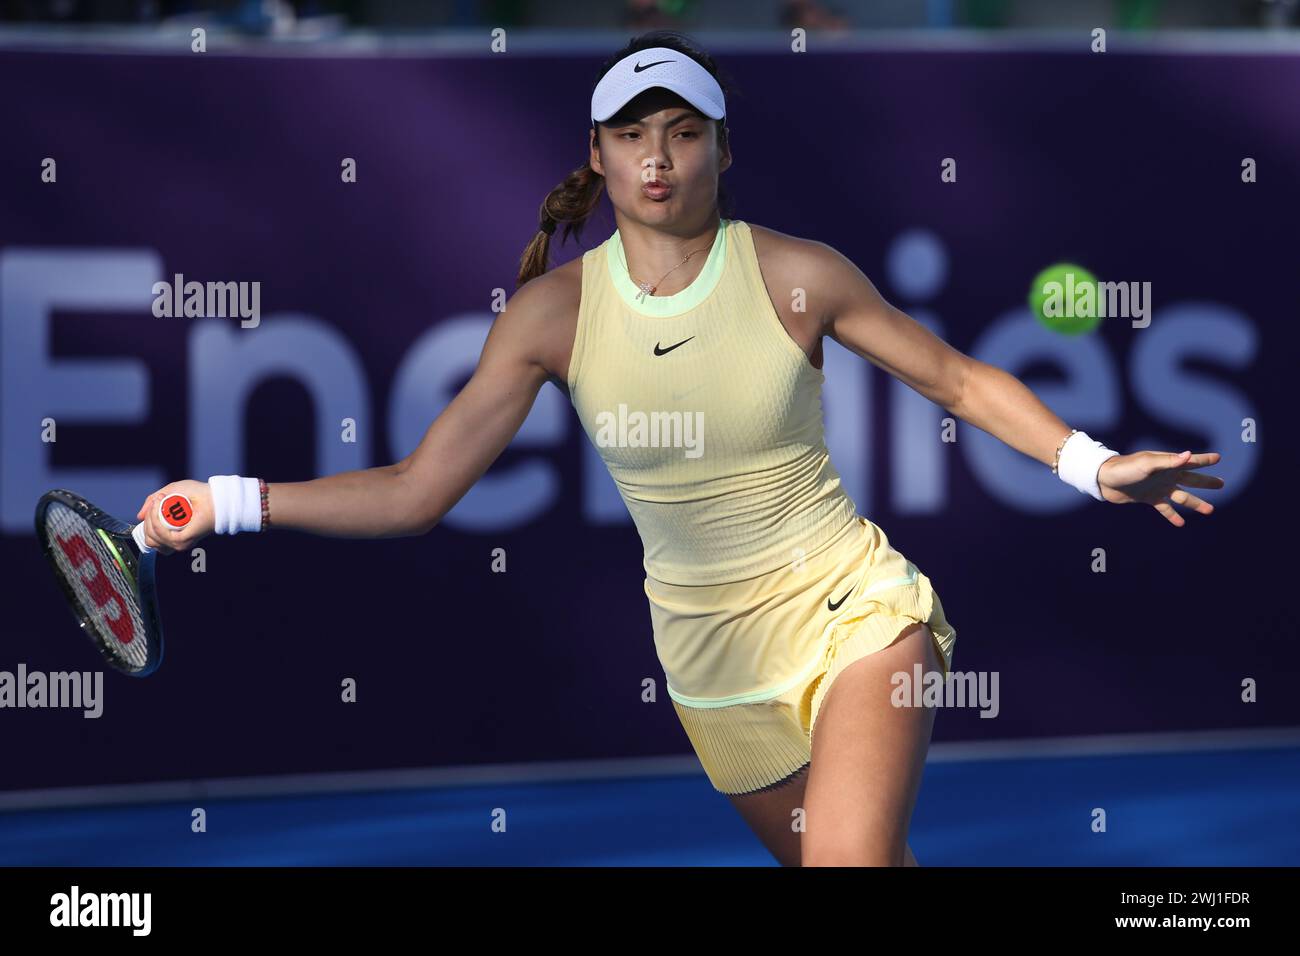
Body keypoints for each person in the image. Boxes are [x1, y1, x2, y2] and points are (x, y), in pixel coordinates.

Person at [135, 30, 1224, 866]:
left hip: (853, 609)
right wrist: (229, 502)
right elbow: (418, 489)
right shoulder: (551, 317)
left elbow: (953, 377)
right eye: (632, 135)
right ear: (598, 155)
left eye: (683, 131)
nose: (658, 158)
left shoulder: (799, 273)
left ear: (719, 147)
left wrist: (1092, 464)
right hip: (711, 671)